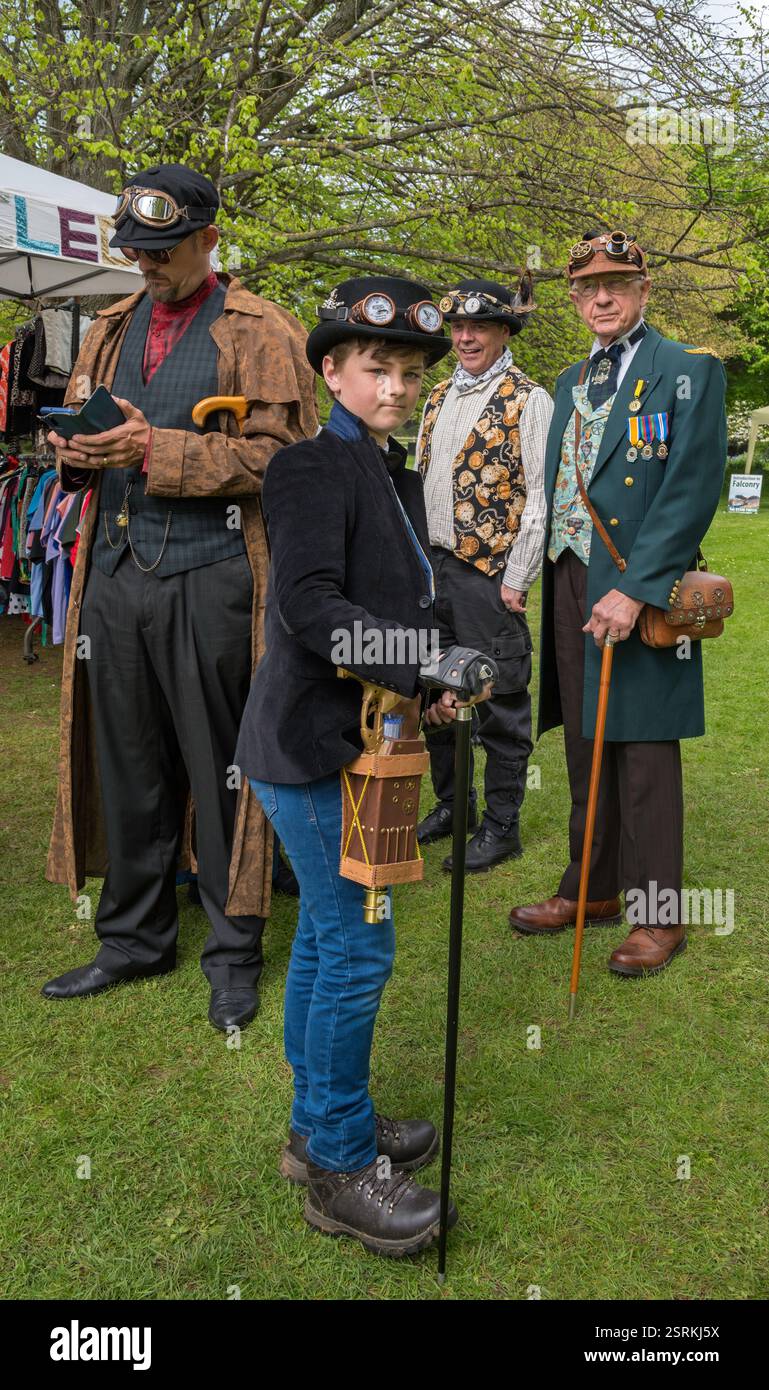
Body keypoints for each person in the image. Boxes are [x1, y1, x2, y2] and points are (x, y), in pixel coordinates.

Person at [42, 162, 318, 1029]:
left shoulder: (263, 328)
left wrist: (155, 450)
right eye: (136, 249)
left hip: (215, 577)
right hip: (114, 575)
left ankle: (232, 952)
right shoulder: (109, 326)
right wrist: (74, 454)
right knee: (129, 762)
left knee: (222, 767)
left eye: (162, 250)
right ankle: (132, 939)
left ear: (208, 238)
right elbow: (78, 426)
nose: (146, 264)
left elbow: (286, 462)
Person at [234, 274, 470, 1256]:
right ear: (332, 370)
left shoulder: (387, 468)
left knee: (328, 944)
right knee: (356, 946)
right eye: (378, 368)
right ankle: (337, 1167)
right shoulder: (307, 466)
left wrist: (433, 671)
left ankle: (318, 1125)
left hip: (364, 739)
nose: (397, 387)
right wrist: (420, 663)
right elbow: (310, 608)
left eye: (411, 372)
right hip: (307, 745)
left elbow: (402, 595)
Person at [508, 229, 727, 976]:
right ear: (574, 298)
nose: (600, 298)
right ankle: (593, 887)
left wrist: (634, 591)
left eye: (616, 285)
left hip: (640, 582)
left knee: (643, 748)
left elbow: (690, 489)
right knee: (586, 740)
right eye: (586, 288)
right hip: (572, 574)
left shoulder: (688, 370)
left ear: (643, 290)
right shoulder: (571, 379)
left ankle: (658, 915)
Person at [414, 275, 553, 872]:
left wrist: (517, 577)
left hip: (488, 574)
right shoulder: (437, 394)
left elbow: (540, 498)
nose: (466, 337)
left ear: (503, 332)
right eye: (458, 327)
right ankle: (455, 806)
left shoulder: (530, 399)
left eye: (479, 327)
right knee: (436, 689)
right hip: (434, 568)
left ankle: (502, 825)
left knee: (498, 700)